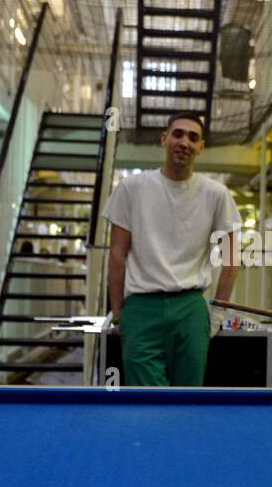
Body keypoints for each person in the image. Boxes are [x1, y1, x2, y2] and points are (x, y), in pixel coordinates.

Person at [103, 112, 240, 386]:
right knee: (146, 404)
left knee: (188, 403)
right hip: (141, 309)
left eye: (193, 137)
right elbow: (117, 255)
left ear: (201, 147)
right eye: (177, 134)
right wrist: (118, 313)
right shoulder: (132, 188)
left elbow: (232, 257)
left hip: (190, 308)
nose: (184, 142)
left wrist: (218, 313)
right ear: (164, 139)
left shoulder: (216, 194)